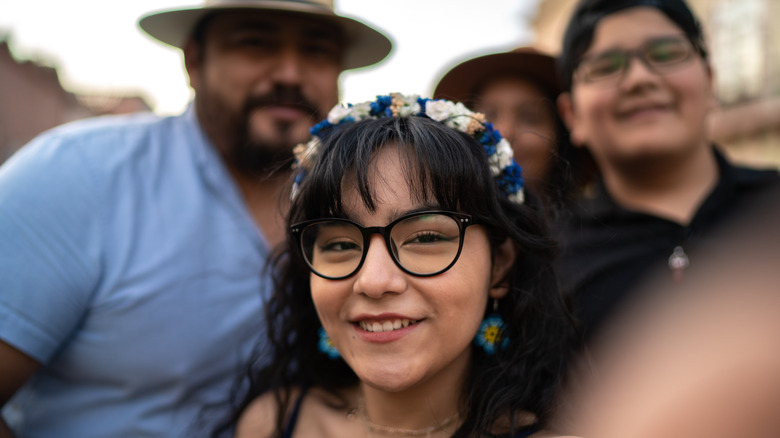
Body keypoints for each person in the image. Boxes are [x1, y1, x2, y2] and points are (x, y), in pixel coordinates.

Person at [0, 1, 391, 437]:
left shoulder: (362, 203)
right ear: (195, 60)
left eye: (317, 51)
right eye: (255, 43)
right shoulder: (79, 174)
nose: (289, 74)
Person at [218, 93, 575, 438]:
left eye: (425, 238)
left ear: (499, 265)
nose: (373, 281)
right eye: (340, 244)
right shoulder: (273, 424)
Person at [553, 0, 780, 338]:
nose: (639, 79)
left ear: (710, 81)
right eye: (605, 66)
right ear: (572, 115)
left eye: (665, 54)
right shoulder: (548, 262)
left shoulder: (770, 209)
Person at [433, 47, 588, 208]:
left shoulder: (597, 229)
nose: (505, 132)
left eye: (530, 118)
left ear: (562, 132)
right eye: (486, 117)